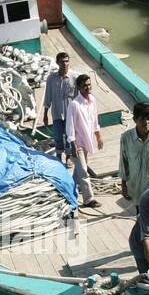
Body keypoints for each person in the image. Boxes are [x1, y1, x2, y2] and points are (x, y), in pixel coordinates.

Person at [65, 72, 103, 209]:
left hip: (87, 142)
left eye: (89, 85)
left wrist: (98, 137)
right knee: (84, 172)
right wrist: (73, 144)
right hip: (77, 144)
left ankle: (68, 192)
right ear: (79, 88)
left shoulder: (92, 101)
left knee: (78, 173)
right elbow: (70, 126)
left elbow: (94, 121)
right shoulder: (74, 105)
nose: (88, 88)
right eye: (85, 86)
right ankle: (89, 199)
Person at [41, 50, 75, 160]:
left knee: (69, 136)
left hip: (70, 113)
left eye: (66, 61)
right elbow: (48, 96)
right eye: (62, 62)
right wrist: (45, 114)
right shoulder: (51, 78)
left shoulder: (73, 78)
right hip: (56, 113)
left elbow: (77, 97)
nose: (65, 64)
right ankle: (59, 155)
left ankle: (68, 157)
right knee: (57, 136)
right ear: (57, 63)